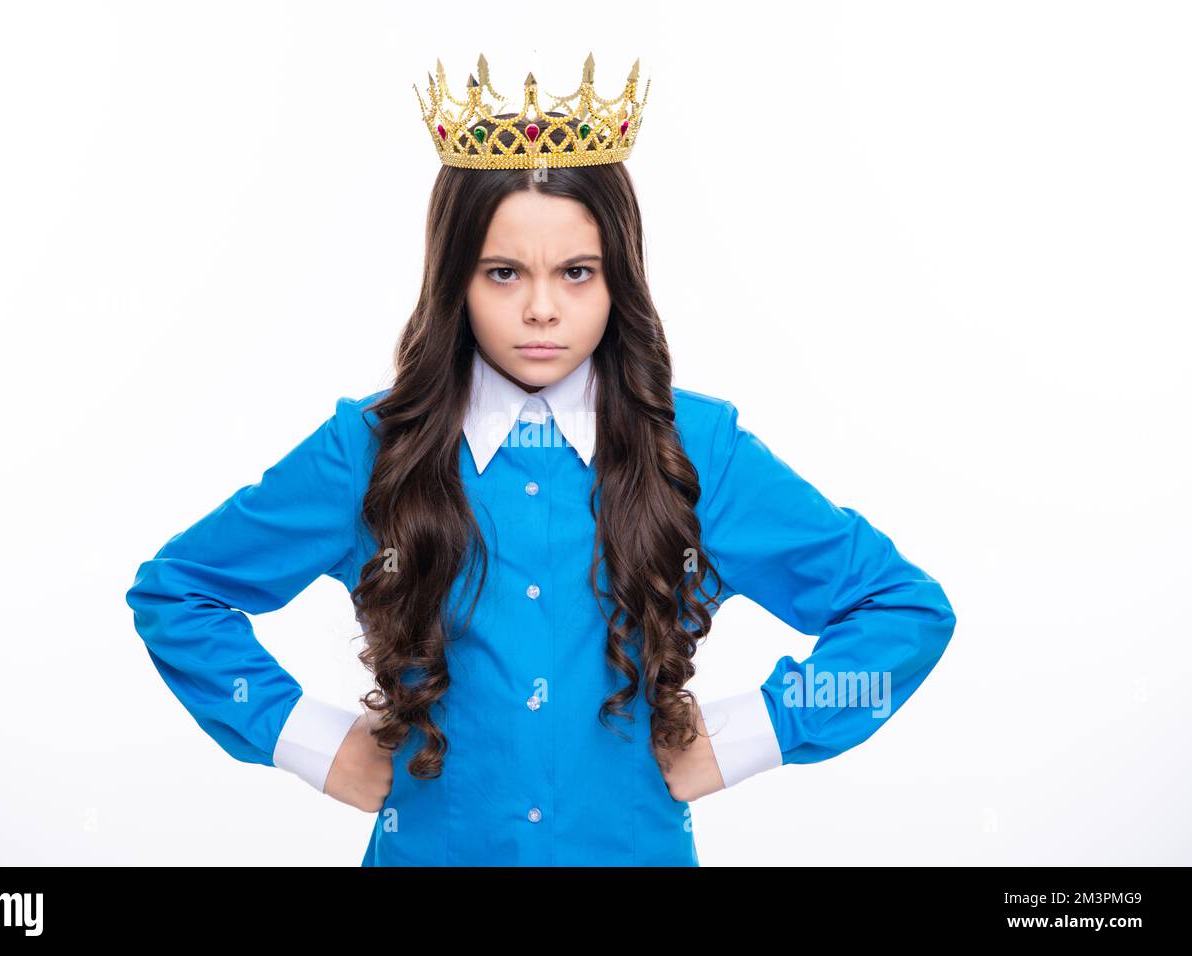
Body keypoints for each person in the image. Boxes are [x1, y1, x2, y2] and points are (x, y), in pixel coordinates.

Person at [124, 53, 957, 866]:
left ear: (617, 279)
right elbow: (179, 592)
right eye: (503, 273)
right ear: (456, 280)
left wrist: (750, 735)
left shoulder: (697, 452)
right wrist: (311, 742)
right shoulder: (371, 452)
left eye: (577, 273)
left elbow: (902, 612)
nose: (541, 309)